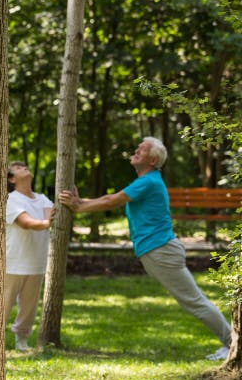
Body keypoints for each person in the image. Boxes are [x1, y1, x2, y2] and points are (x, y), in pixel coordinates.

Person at [59, 137, 231, 361]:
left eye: (142, 149)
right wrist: (80, 203)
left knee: (194, 301)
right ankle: (231, 342)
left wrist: (79, 207)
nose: (136, 150)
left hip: (162, 251)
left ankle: (232, 342)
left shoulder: (148, 181)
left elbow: (112, 201)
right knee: (194, 301)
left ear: (152, 159)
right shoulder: (146, 181)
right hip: (158, 251)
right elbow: (111, 198)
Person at [4, 161, 54, 351]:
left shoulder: (42, 199)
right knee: (3, 305)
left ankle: (21, 340)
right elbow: (26, 223)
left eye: (24, 166)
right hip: (13, 262)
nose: (23, 168)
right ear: (11, 178)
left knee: (29, 307)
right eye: (17, 168)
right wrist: (48, 222)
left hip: (37, 262)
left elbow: (50, 216)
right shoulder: (10, 199)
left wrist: (49, 220)